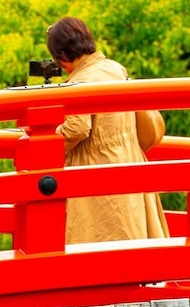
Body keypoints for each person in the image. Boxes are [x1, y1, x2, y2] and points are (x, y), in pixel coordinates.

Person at [45, 17, 170, 244]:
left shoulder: (80, 82)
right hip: (128, 161)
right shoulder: (114, 68)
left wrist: (46, 138)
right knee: (131, 232)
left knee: (100, 238)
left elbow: (77, 129)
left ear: (62, 55)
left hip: (96, 168)